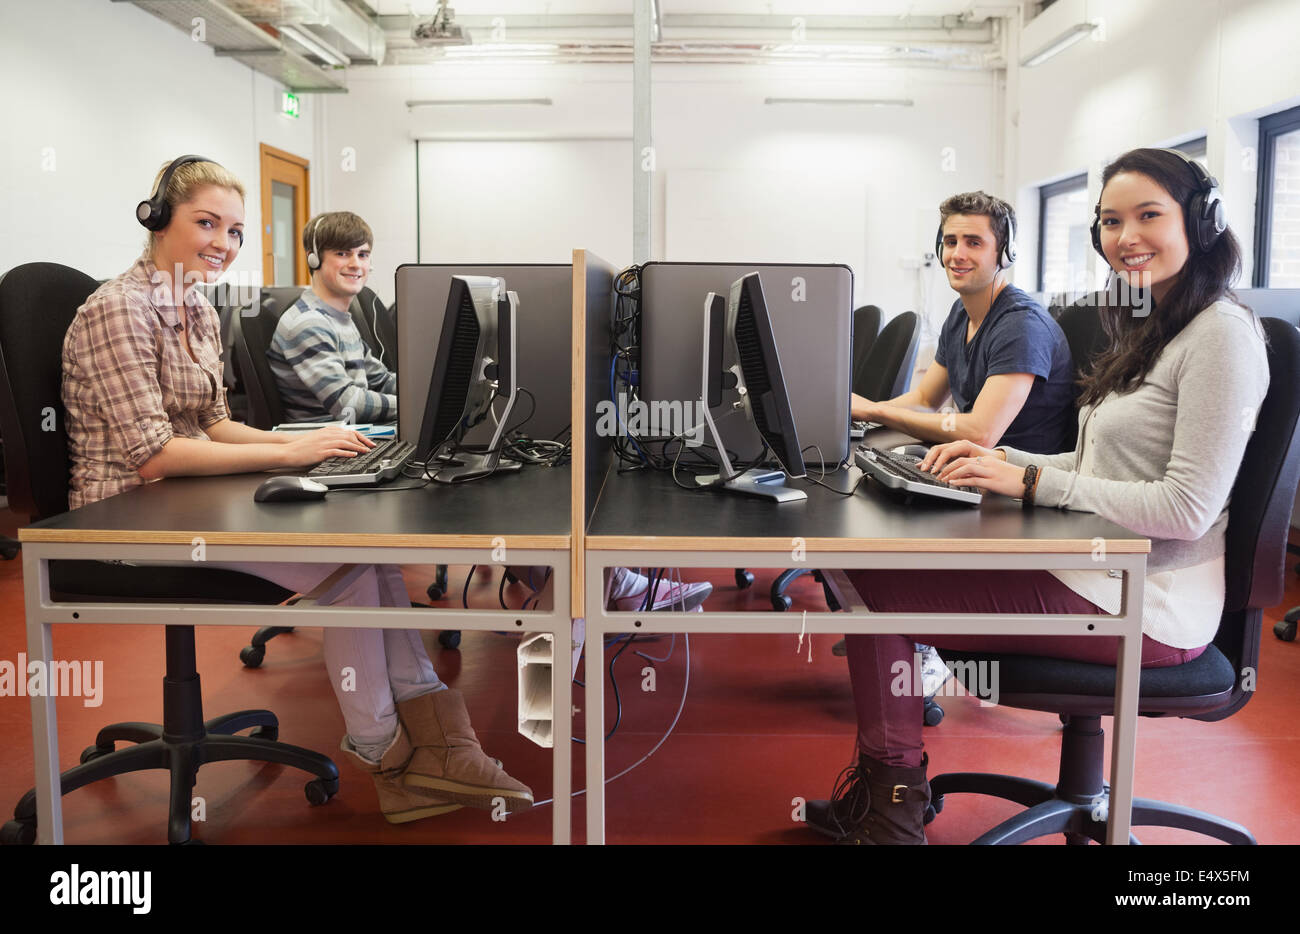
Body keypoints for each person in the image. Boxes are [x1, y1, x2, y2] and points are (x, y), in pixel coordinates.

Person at [808, 148, 1267, 844]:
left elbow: (1186, 508)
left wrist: (1029, 480)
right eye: (1111, 221)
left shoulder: (1222, 336)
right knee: (867, 570)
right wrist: (997, 457)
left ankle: (893, 811)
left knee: (877, 596)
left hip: (1151, 604)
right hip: (1093, 566)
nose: (1125, 237)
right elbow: (1090, 460)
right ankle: (892, 793)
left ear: (1201, 222)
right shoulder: (1153, 326)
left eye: (1149, 215)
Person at [62, 156, 533, 825]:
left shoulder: (193, 303)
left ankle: (439, 742)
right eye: (207, 224)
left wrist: (299, 447)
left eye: (234, 231)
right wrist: (292, 448)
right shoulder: (119, 309)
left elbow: (212, 423)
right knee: (344, 567)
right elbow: (149, 455)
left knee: (365, 553)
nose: (224, 243)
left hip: (171, 496)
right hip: (121, 518)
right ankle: (387, 754)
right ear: (158, 218)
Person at [853, 191, 1075, 454]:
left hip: (1016, 482)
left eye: (973, 243)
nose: (957, 254)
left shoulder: (1022, 325)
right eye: (950, 242)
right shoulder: (960, 313)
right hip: (970, 465)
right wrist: (861, 414)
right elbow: (925, 400)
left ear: (1004, 254)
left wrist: (874, 411)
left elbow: (981, 434)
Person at [268, 211, 394, 424]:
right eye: (343, 253)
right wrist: (417, 407)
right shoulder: (309, 323)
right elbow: (348, 405)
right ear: (314, 258)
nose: (356, 264)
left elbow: (380, 380)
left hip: (351, 434)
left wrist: (428, 391)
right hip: (326, 442)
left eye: (362, 255)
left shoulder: (340, 318)